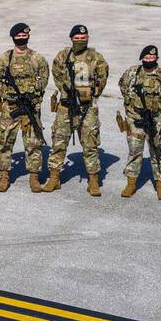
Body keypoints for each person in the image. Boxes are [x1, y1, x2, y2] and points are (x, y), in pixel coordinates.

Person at [47, 24, 109, 196]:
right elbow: (57, 74)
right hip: (66, 105)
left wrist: (90, 94)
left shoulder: (96, 57)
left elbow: (102, 78)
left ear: (87, 38)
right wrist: (66, 90)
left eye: (83, 38)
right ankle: (54, 178)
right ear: (71, 39)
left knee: (90, 143)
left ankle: (94, 181)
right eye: (77, 38)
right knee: (59, 140)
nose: (80, 40)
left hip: (87, 106)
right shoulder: (63, 55)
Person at [0, 22, 50, 192]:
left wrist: (32, 95)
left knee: (33, 143)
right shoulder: (4, 59)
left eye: (24, 36)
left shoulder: (37, 58)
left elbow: (44, 79)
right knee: (4, 141)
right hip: (10, 107)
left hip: (30, 107)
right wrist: (9, 93)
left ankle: (34, 177)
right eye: (19, 36)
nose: (22, 38)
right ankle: (4, 176)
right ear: (13, 37)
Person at [118, 45, 161, 200]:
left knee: (158, 152)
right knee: (134, 151)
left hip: (156, 121)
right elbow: (123, 86)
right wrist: (130, 106)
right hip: (135, 119)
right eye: (146, 58)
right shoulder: (132, 73)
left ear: (156, 59)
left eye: (152, 58)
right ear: (142, 58)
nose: (149, 60)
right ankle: (131, 184)